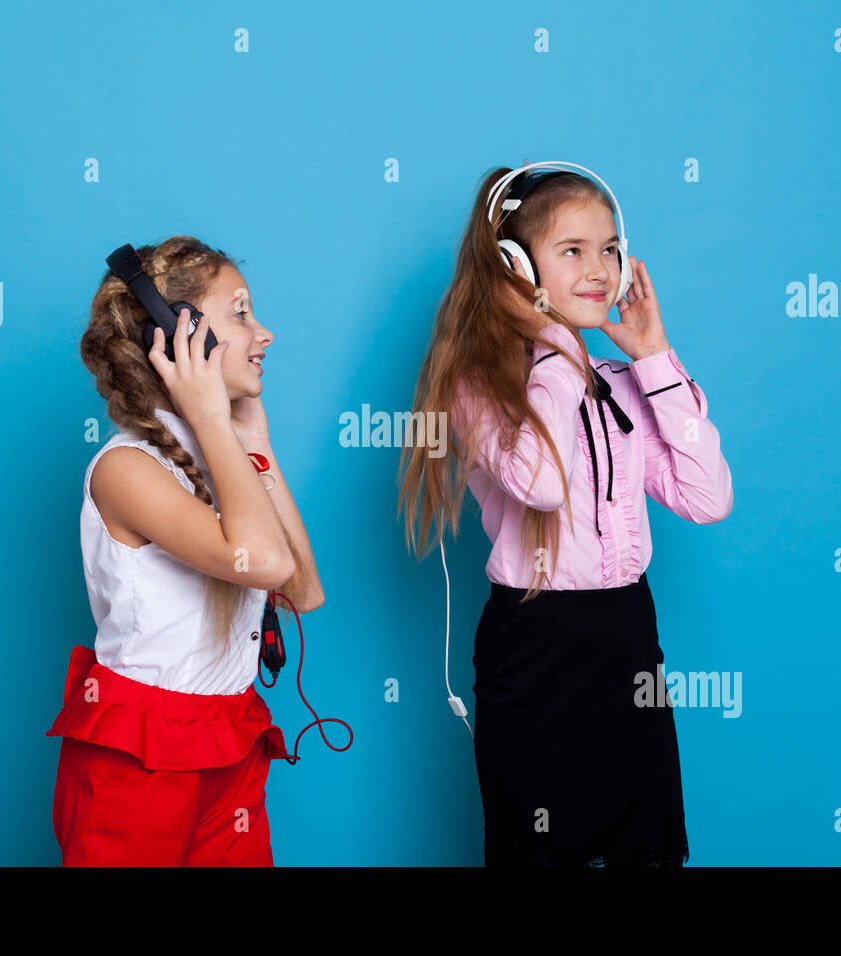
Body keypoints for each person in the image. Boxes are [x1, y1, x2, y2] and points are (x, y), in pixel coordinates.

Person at [398, 165, 733, 867]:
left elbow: (708, 499)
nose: (601, 270)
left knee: (653, 848)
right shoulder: (481, 388)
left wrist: (653, 360)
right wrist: (556, 347)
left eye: (610, 248)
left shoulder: (626, 385)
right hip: (536, 643)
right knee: (536, 852)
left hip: (628, 637)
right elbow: (542, 484)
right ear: (516, 267)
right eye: (573, 250)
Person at [46, 236, 324, 866]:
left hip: (228, 743)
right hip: (141, 756)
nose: (266, 333)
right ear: (180, 338)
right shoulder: (126, 469)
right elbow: (268, 561)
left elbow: (303, 590)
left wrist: (256, 442)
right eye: (242, 313)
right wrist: (210, 417)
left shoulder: (222, 462)